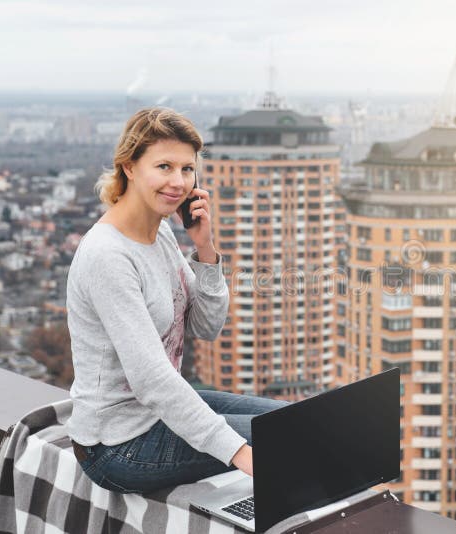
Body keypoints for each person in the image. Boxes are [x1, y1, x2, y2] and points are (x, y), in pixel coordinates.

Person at [65, 107, 286, 494]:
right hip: (116, 445)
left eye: (187, 169)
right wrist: (238, 452)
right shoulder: (108, 256)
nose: (178, 182)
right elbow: (151, 380)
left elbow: (206, 325)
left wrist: (205, 249)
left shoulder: (161, 234)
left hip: (156, 415)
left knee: (295, 422)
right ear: (129, 167)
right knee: (287, 443)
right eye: (164, 166)